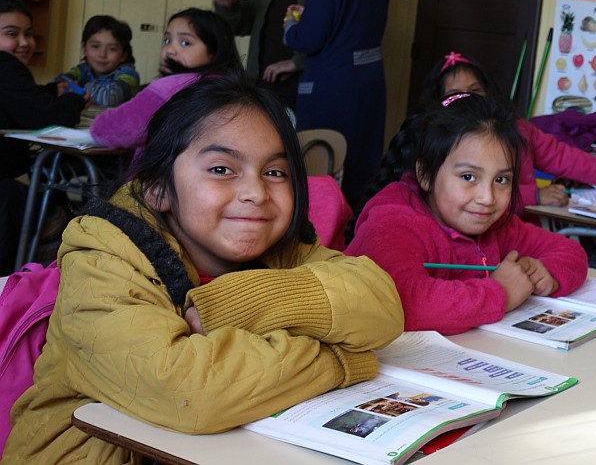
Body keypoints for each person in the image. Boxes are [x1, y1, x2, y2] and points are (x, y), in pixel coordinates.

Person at [4, 74, 404, 463]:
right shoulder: (102, 254)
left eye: (275, 172)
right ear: (157, 189)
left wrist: (240, 303)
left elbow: (381, 304)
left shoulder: (283, 247)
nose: (255, 193)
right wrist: (343, 360)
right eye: (221, 169)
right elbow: (189, 391)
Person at [345, 93, 587, 335]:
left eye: (501, 180)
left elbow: (570, 251)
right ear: (426, 175)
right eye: (468, 177)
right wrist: (501, 293)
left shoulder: (497, 225)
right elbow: (404, 303)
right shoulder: (392, 224)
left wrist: (547, 273)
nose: (488, 198)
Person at [418, 51, 596, 213]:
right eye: (456, 94)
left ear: (489, 92)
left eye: (475, 91)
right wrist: (535, 195)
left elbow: (561, 156)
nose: (469, 100)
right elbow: (470, 198)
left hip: (520, 230)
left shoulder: (519, 129)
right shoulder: (439, 141)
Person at [282, 0, 389, 206]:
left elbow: (309, 39)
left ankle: (323, 230)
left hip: (332, 85)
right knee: (361, 160)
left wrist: (291, 24)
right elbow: (353, 28)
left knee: (323, 160)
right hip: (369, 84)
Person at [0, 0, 87, 274]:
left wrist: (50, 93)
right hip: (3, 187)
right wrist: (76, 101)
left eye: (29, 34)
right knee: (53, 204)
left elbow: (21, 100)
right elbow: (49, 117)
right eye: (12, 34)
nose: (24, 43)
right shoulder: (5, 65)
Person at [90, 7, 243, 166]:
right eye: (167, 41)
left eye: (185, 43)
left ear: (214, 52)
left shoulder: (168, 89)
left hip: (157, 187)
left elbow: (106, 129)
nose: (170, 50)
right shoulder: (234, 89)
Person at [50, 15, 140, 107]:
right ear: (85, 49)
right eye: (95, 46)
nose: (102, 54)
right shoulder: (83, 69)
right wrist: (60, 88)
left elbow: (109, 98)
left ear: (123, 55)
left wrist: (74, 88)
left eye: (112, 49)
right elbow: (56, 86)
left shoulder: (129, 75)